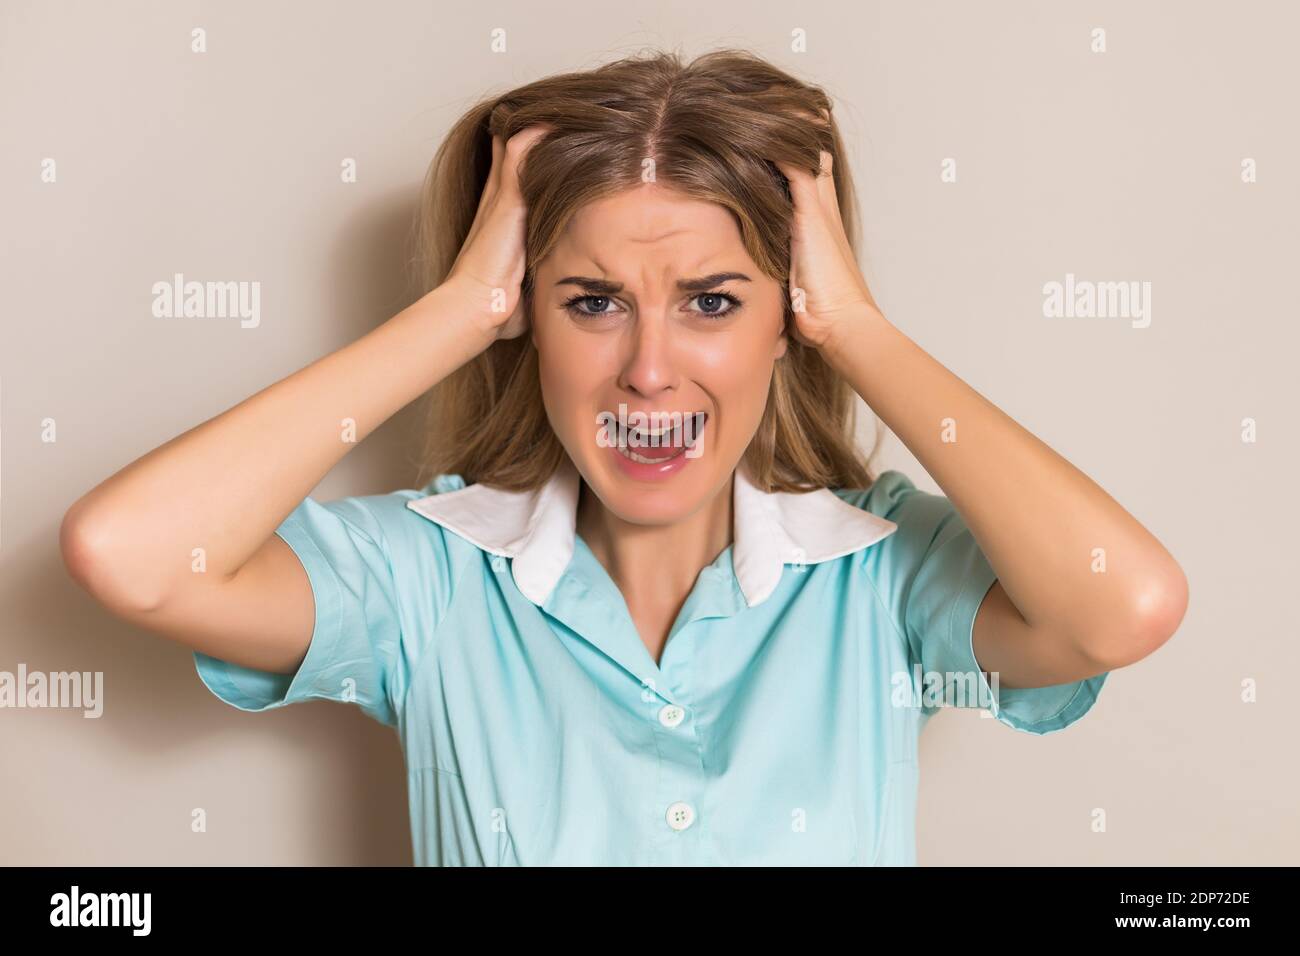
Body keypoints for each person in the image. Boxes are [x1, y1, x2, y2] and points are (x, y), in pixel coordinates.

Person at [60, 49, 1188, 865]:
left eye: (711, 299)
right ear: (527, 319)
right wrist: (457, 308)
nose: (648, 369)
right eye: (591, 300)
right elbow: (136, 554)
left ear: (785, 315)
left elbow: (1122, 605)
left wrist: (858, 329)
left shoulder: (883, 573)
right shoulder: (425, 577)